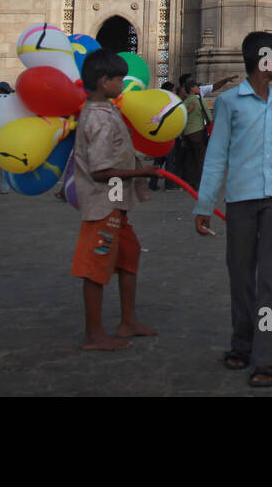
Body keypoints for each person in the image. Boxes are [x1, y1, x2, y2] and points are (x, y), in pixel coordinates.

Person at [194, 31, 272, 387]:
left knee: (270, 280)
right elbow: (216, 157)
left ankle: (267, 355)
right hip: (240, 201)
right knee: (241, 277)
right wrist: (204, 204)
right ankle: (242, 342)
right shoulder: (229, 104)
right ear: (263, 61)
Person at [69, 49, 158, 351]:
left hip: (116, 208)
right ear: (104, 81)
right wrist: (141, 171)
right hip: (102, 206)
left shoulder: (104, 110)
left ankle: (127, 321)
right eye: (119, 79)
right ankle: (94, 335)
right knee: (95, 268)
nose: (123, 84)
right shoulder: (99, 119)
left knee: (129, 258)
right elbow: (101, 170)